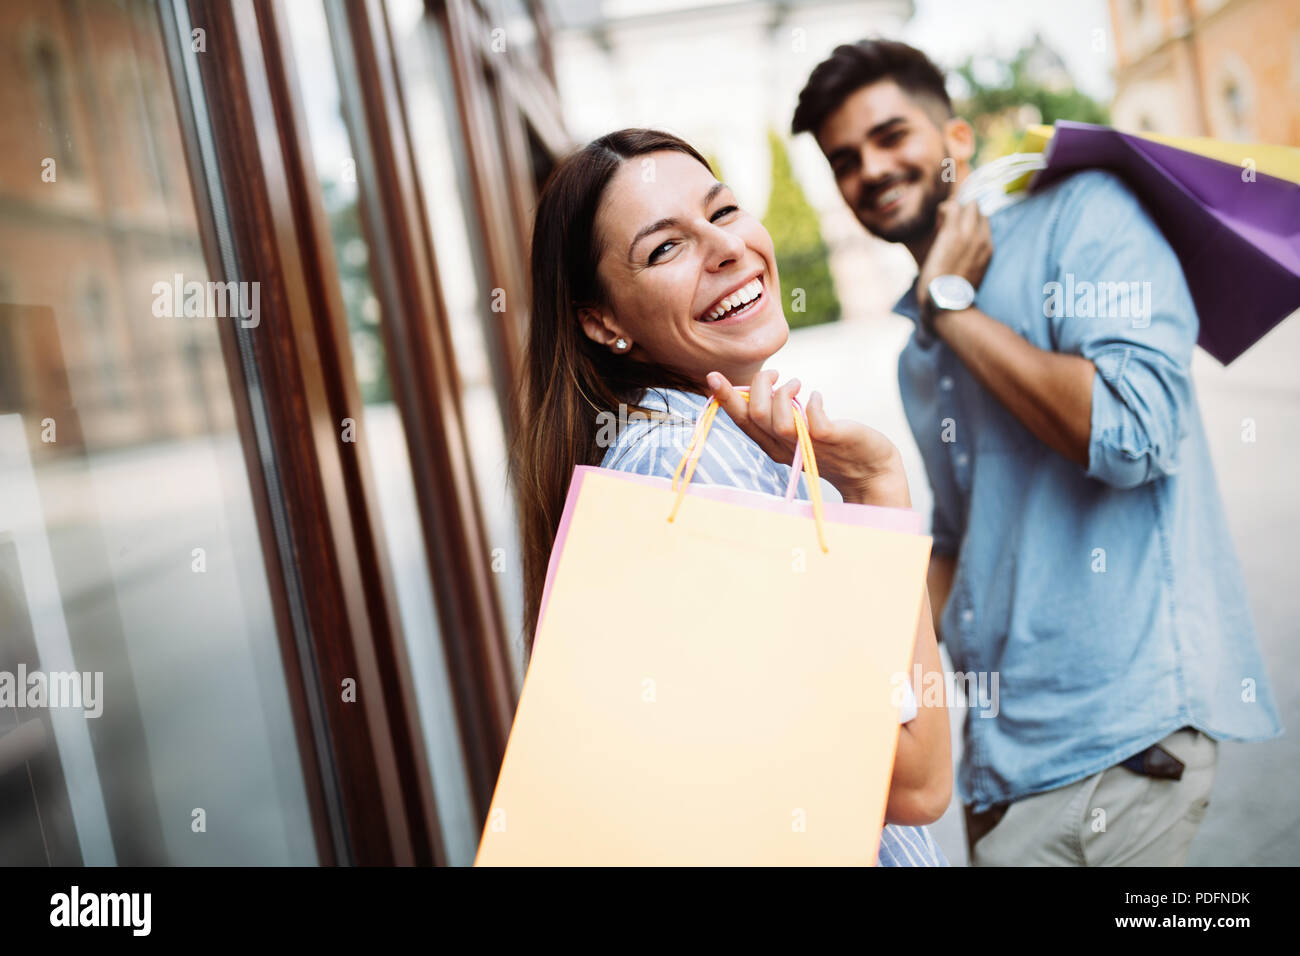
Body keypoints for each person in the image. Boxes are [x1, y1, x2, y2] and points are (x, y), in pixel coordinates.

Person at [792, 39, 1283, 865]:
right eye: (845, 160)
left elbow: (1135, 434)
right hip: (1003, 766)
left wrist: (955, 310)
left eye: (890, 136)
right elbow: (957, 544)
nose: (869, 169)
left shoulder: (1087, 212)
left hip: (1125, 745)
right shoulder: (917, 355)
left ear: (956, 139)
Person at [512, 127, 951, 865]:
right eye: (664, 248)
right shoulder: (684, 473)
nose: (725, 249)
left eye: (722, 212)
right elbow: (914, 780)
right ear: (602, 321)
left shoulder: (704, 446)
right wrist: (880, 491)